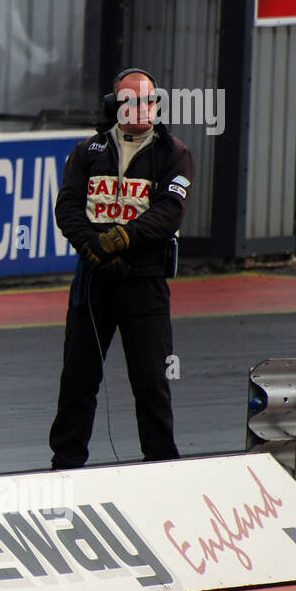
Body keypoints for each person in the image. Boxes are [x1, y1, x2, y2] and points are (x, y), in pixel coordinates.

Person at [48, 68, 195, 470]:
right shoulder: (87, 151)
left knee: (151, 380)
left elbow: (168, 213)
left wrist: (121, 239)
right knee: (77, 378)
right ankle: (65, 464)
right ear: (115, 106)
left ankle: (162, 465)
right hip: (93, 278)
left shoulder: (175, 153)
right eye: (132, 101)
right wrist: (93, 246)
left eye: (149, 101)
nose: (143, 109)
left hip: (144, 281)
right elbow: (67, 207)